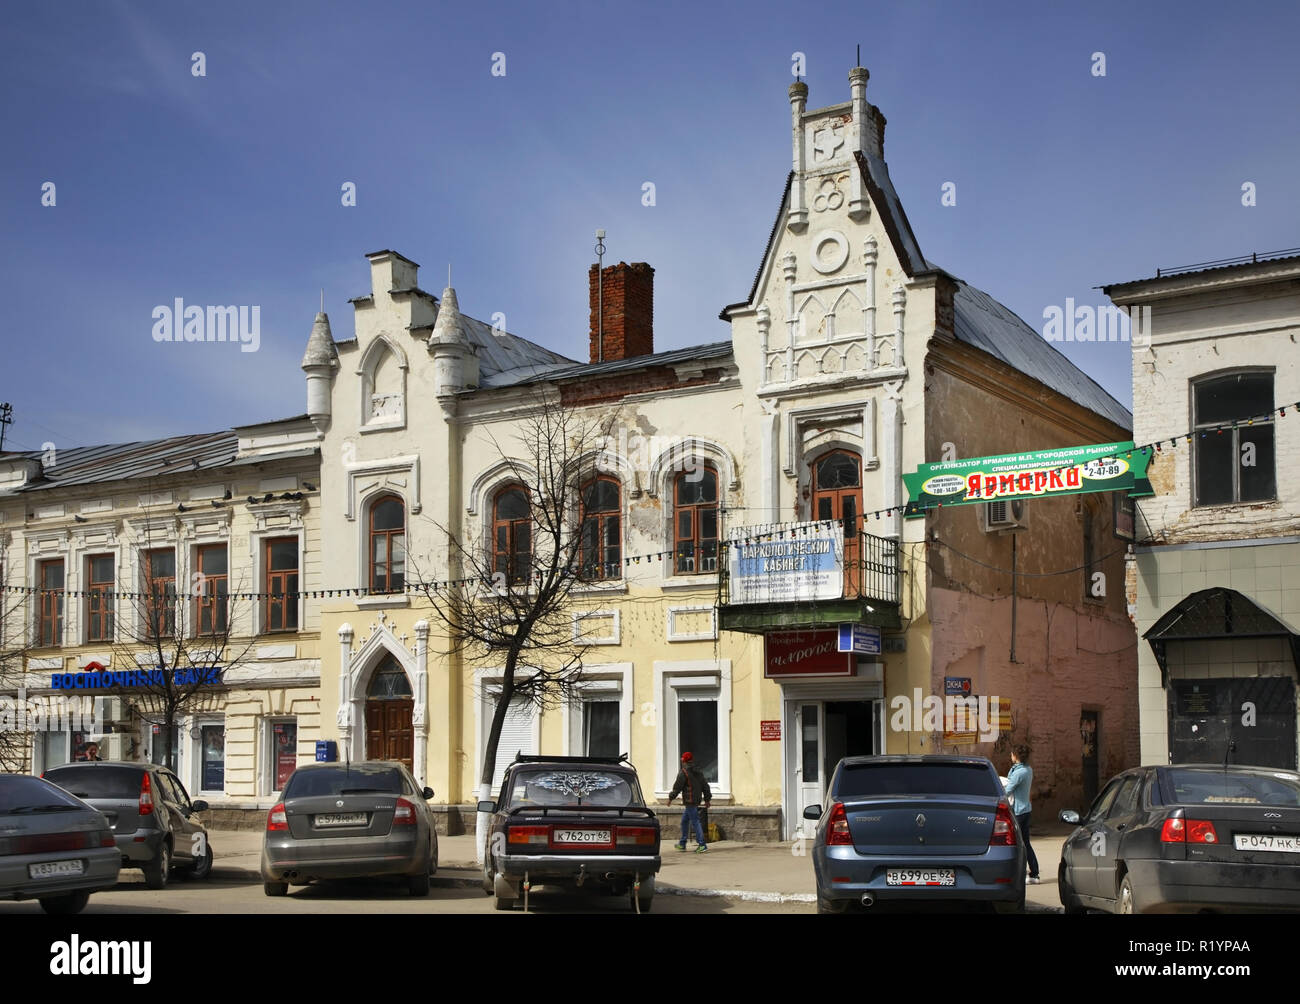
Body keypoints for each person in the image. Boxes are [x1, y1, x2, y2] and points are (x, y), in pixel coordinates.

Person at [1003, 744, 1038, 883]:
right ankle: (1034, 872)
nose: (1010, 756)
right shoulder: (1026, 769)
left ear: (1016, 756)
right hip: (1025, 810)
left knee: (1019, 843)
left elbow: (1007, 790)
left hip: (1018, 811)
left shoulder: (1019, 773)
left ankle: (1028, 873)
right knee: (1025, 843)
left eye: (1012, 754)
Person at [667, 751, 711, 852]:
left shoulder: (684, 772)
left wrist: (670, 798)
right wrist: (707, 799)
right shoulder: (698, 771)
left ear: (684, 760)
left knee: (695, 822)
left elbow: (677, 788)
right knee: (684, 821)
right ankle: (682, 843)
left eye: (682, 759)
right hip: (695, 800)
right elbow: (705, 786)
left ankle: (702, 844)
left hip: (689, 800)